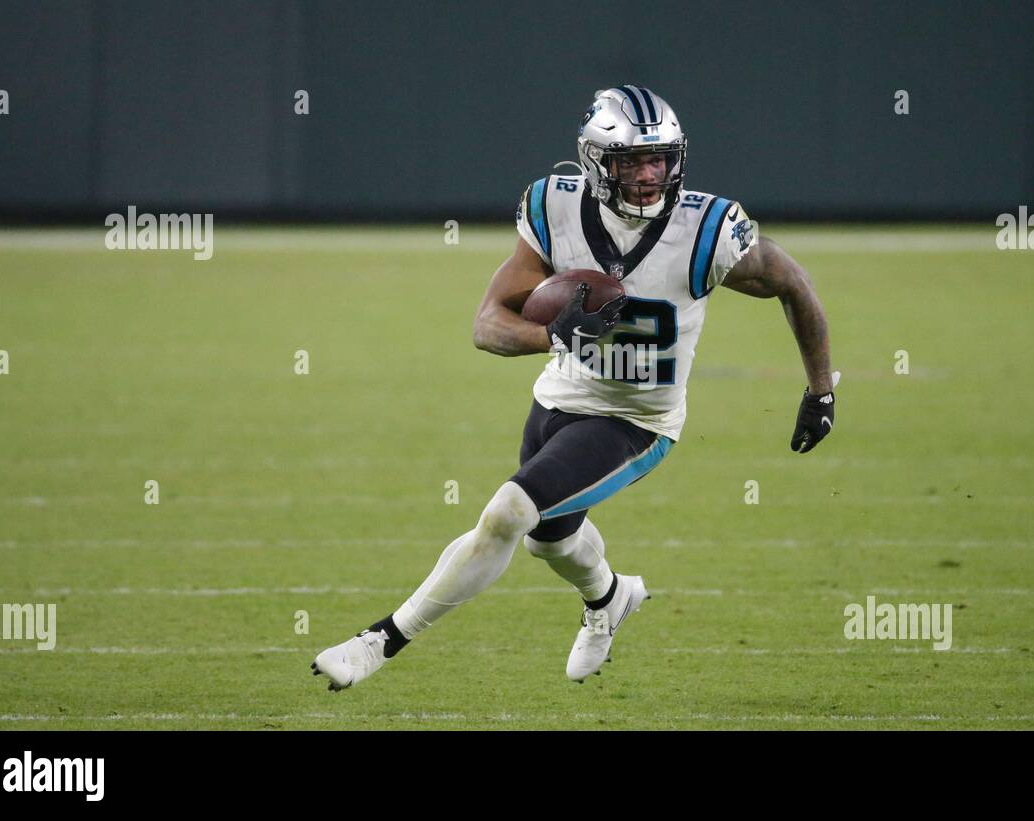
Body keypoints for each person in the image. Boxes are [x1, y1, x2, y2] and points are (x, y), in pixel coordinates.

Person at [312, 85, 835, 689]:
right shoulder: (555, 211)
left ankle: (378, 643)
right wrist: (557, 338)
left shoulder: (706, 229)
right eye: (632, 161)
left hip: (637, 422)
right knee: (548, 539)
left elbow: (793, 283)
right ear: (594, 161)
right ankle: (610, 599)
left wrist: (819, 390)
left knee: (510, 512)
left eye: (661, 158)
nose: (650, 174)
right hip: (558, 398)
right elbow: (488, 326)